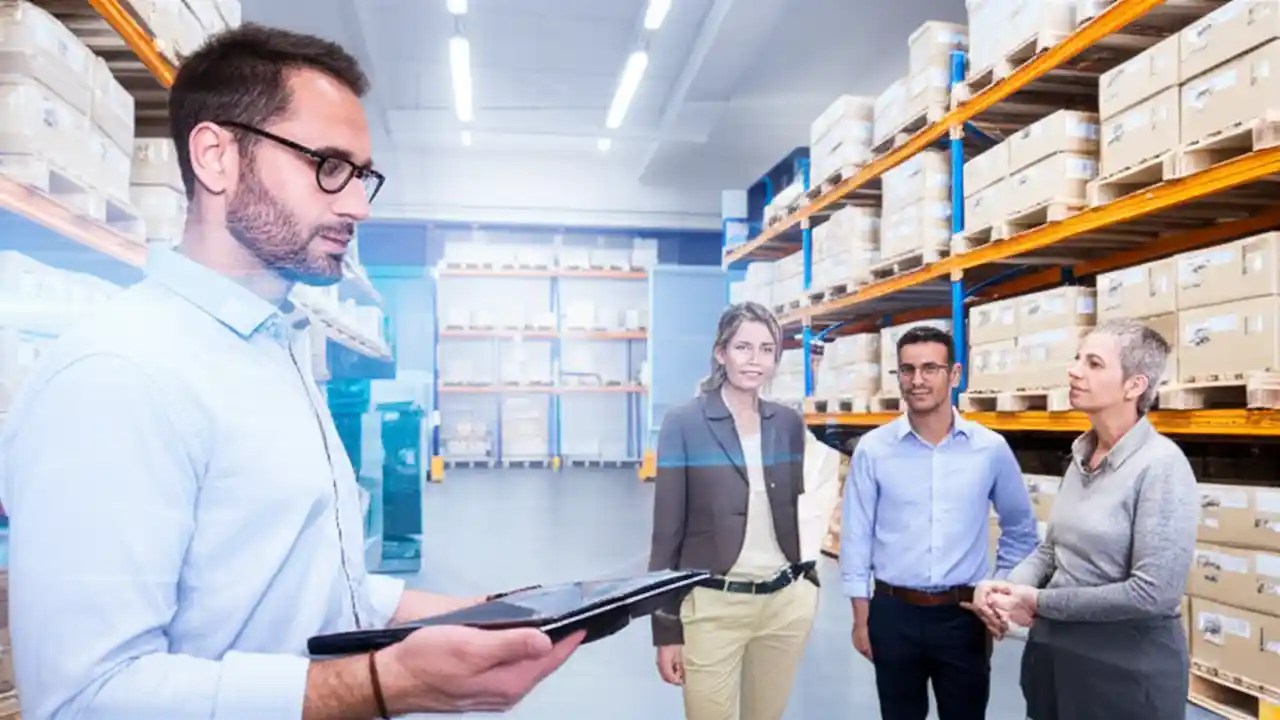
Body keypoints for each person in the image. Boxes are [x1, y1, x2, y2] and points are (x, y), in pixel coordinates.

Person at [0, 24, 582, 720]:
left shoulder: (274, 346)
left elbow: (293, 576)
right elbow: (84, 700)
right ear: (216, 157)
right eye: (328, 165)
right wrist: (383, 684)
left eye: (362, 175)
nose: (359, 205)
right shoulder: (117, 376)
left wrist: (473, 615)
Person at [971, 319, 1197, 720]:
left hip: (1124, 673)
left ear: (1134, 386)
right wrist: (1010, 588)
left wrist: (1038, 601)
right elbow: (1053, 550)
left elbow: (1154, 593)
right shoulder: (1082, 455)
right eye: (1077, 359)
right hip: (1055, 659)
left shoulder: (1161, 466)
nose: (1074, 371)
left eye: (1094, 363)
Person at [839, 325, 1038, 720]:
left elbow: (1021, 529)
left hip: (963, 615)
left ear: (955, 374)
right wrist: (861, 619)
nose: (917, 380)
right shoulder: (874, 450)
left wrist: (997, 592)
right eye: (907, 370)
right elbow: (857, 537)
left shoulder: (990, 449)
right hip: (893, 613)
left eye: (930, 368)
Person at [648, 301, 820, 720]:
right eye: (743, 347)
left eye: (766, 349)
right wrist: (666, 629)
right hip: (714, 606)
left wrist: (809, 583)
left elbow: (802, 506)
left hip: (783, 606)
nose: (755, 360)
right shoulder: (684, 423)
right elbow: (667, 532)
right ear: (721, 352)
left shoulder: (787, 423)